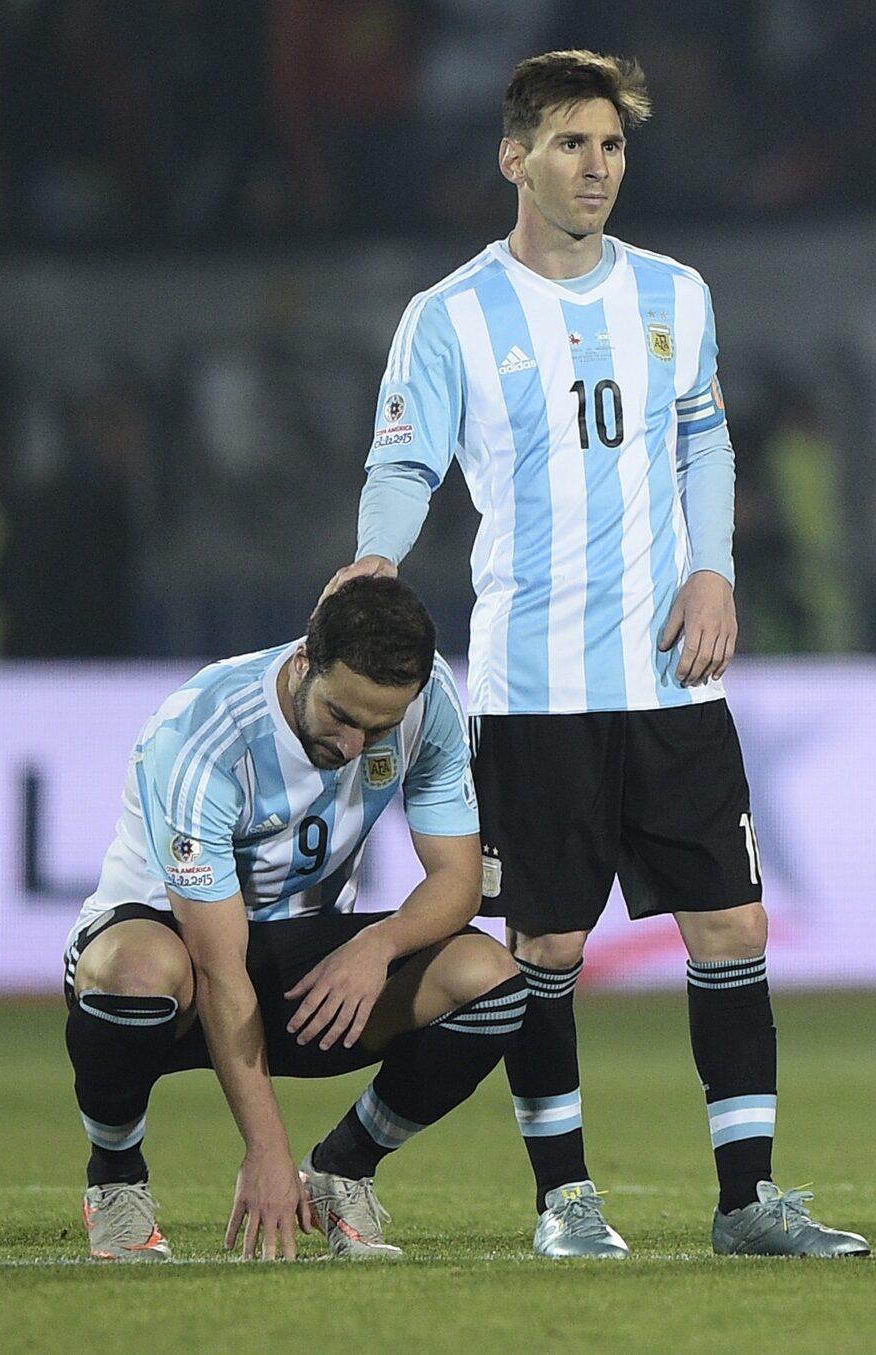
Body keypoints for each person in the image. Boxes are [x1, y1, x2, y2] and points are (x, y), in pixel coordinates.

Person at [338, 51, 867, 1259]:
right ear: (513, 156)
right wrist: (376, 559)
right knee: (548, 948)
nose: (597, 168)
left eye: (613, 145)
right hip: (534, 688)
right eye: (572, 144)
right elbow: (405, 460)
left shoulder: (676, 292)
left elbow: (705, 440)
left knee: (733, 926)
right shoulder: (453, 314)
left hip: (670, 674)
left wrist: (714, 566)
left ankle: (748, 1202)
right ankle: (565, 1199)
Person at [64, 576, 526, 1261]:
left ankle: (343, 1166)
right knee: (139, 972)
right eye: (341, 715)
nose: (352, 745)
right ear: (307, 657)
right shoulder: (202, 735)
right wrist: (266, 1151)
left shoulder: (428, 704)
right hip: (176, 962)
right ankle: (116, 1177)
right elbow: (220, 966)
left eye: (377, 727)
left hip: (296, 965)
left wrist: (378, 945)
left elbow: (458, 881)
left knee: (489, 978)